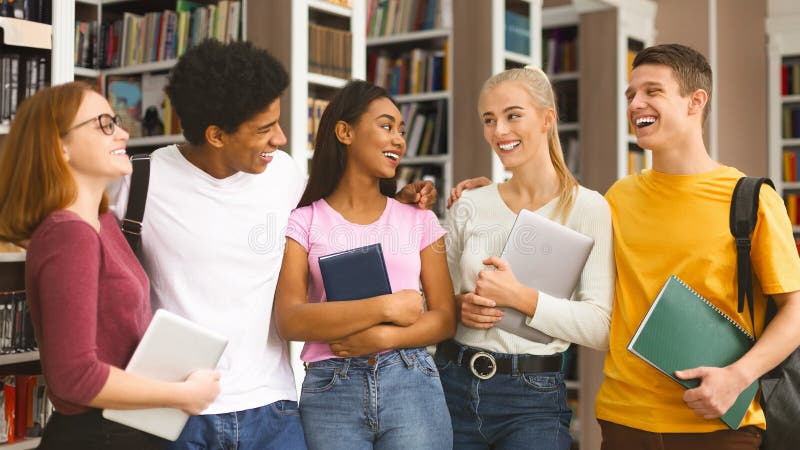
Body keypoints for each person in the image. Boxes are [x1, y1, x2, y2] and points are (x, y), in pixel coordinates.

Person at [108, 40, 436, 450]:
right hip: (176, 411)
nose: (280, 139)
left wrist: (401, 201)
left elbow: (338, 220)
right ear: (216, 135)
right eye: (265, 130)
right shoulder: (138, 182)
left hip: (273, 410)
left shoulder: (285, 176)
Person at [592, 43, 800, 449]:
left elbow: (796, 308)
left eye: (652, 91)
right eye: (630, 94)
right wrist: (490, 197)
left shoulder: (751, 199)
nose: (636, 103)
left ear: (695, 101)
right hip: (623, 420)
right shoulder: (617, 197)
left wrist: (737, 377)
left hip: (719, 425)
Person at [0, 82, 220, 450]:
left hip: (128, 432)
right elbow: (76, 378)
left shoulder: (101, 222)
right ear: (60, 146)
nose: (123, 132)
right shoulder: (69, 235)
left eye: (116, 121)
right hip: (99, 437)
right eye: (103, 124)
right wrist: (179, 393)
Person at [439, 66, 614, 450]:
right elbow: (434, 304)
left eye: (512, 115)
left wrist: (520, 297)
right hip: (451, 385)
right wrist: (458, 306)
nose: (499, 131)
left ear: (547, 118)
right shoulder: (468, 204)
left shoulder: (589, 208)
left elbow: (601, 327)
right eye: (489, 120)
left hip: (532, 400)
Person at [274, 80, 455, 450]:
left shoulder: (419, 218)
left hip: (411, 381)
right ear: (344, 132)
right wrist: (386, 307)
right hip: (330, 389)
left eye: (401, 131)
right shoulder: (304, 221)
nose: (399, 140)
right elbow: (290, 319)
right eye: (386, 127)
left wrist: (385, 337)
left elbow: (445, 318)